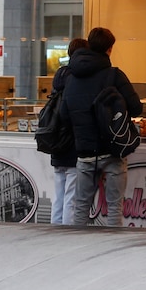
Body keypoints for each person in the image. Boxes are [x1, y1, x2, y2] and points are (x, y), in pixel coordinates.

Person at [62, 27, 142, 227]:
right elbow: (136, 108)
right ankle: (112, 245)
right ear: (110, 49)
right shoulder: (114, 75)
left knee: (81, 207)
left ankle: (79, 244)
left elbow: (64, 114)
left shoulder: (71, 78)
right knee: (114, 207)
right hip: (112, 149)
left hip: (84, 152)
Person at [49, 38, 86, 225]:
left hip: (57, 143)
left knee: (59, 196)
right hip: (72, 144)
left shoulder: (60, 74)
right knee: (71, 197)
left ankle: (55, 230)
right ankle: (66, 234)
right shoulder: (78, 78)